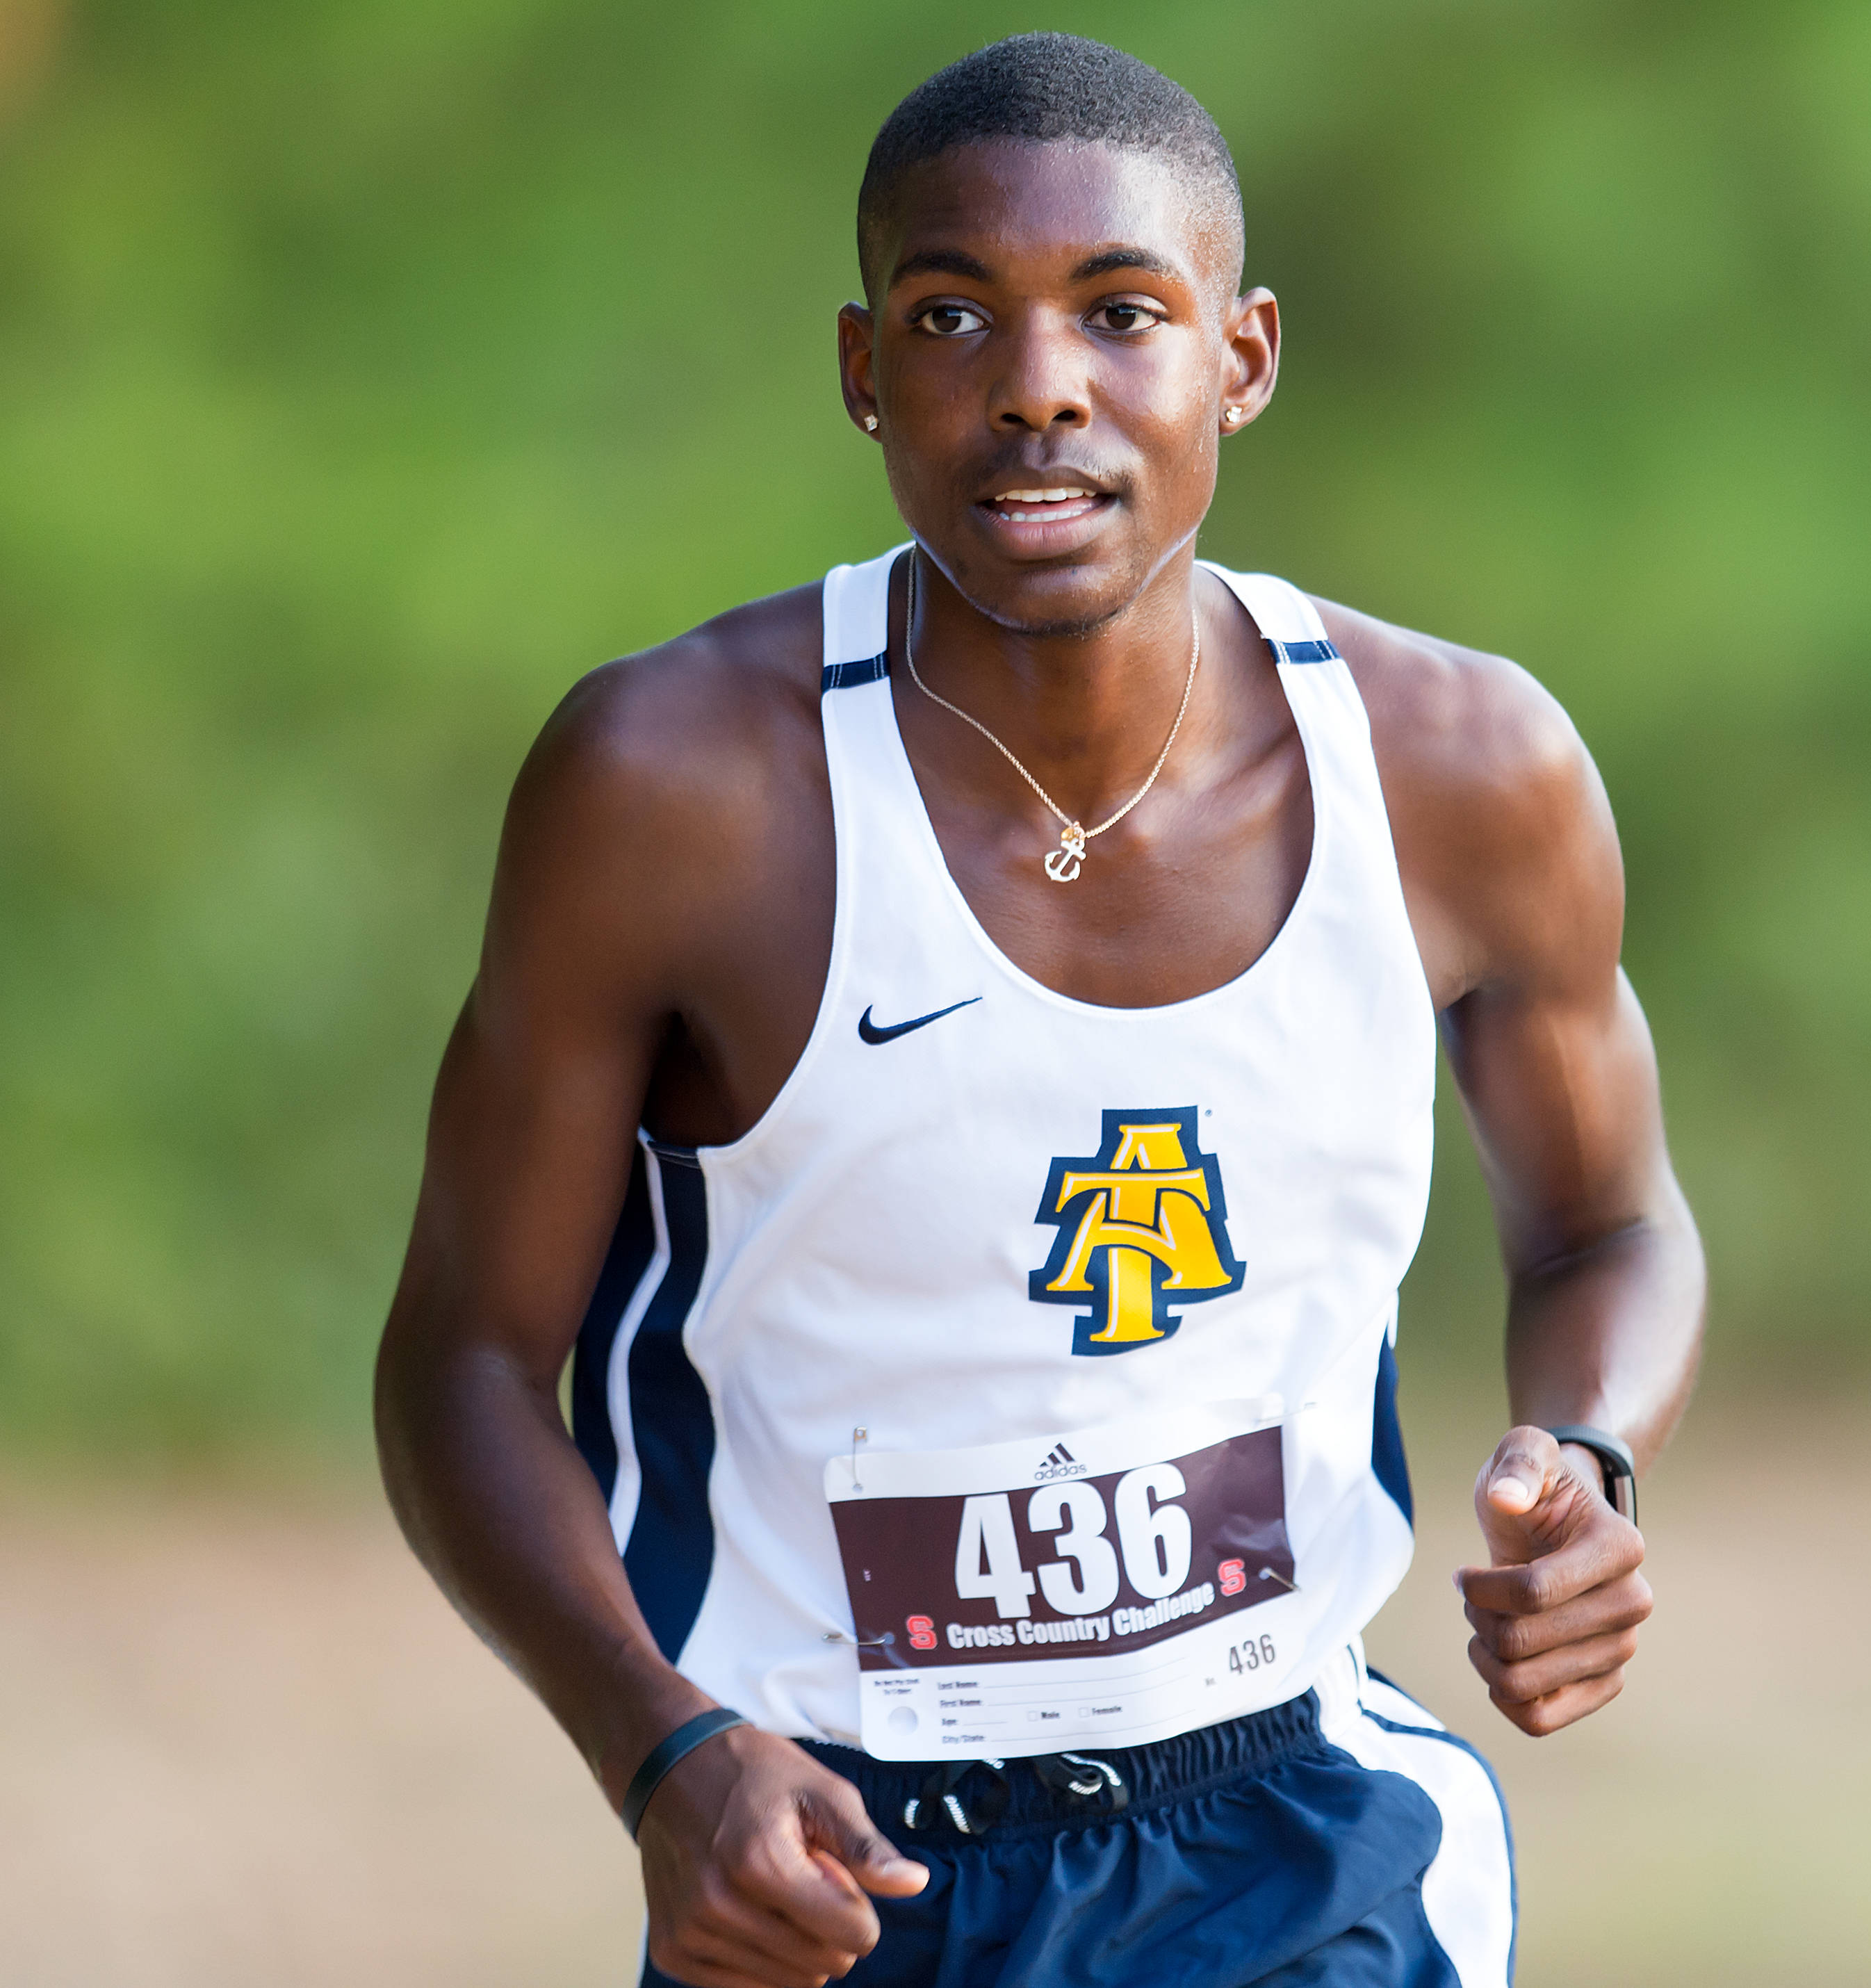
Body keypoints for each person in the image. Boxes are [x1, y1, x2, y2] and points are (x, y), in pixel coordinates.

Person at [374, 31, 1703, 1988]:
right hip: (821, 1860)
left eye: (1119, 313)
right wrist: (659, 1753)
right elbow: (466, 1364)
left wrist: (1581, 1456)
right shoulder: (676, 788)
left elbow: (1608, 1220)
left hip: (1299, 1843)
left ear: (1239, 358)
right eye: (950, 316)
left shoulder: (1457, 768)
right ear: (860, 371)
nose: (1036, 388)